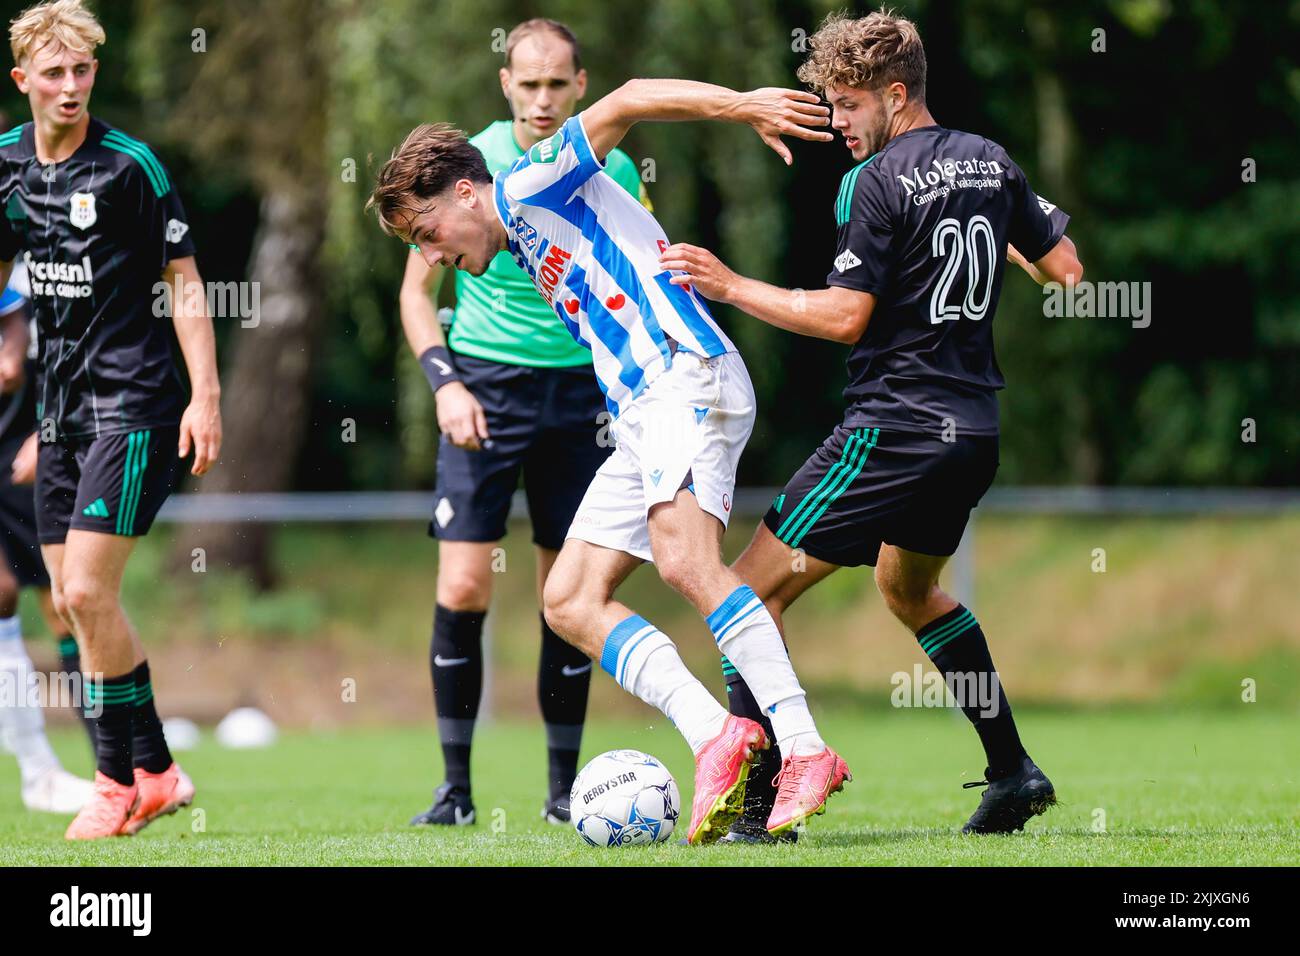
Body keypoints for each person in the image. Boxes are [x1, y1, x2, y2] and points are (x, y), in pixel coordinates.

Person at [370, 77, 850, 845]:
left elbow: (626, 99)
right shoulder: (522, 237)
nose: (431, 254)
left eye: (427, 232)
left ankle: (804, 747)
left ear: (466, 192)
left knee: (685, 562)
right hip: (642, 411)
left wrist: (742, 106)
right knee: (568, 598)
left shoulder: (528, 183)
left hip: (682, 375)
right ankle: (716, 736)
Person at [659, 9, 1084, 839]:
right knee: (909, 589)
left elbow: (847, 316)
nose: (837, 124)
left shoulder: (874, 180)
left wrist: (731, 284)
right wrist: (996, 236)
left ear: (895, 94)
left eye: (848, 105)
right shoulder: (992, 162)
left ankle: (758, 800)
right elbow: (1067, 270)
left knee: (744, 590)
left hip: (892, 428)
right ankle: (1013, 771)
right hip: (971, 432)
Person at [400, 19, 649, 828]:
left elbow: (642, 262)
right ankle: (454, 790)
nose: (542, 100)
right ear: (505, 84)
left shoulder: (604, 165)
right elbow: (416, 293)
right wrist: (445, 384)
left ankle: (561, 793)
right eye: (528, 84)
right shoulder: (464, 169)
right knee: (465, 583)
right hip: (484, 387)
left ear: (581, 87)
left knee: (563, 594)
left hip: (580, 395)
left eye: (557, 85)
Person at [0, 0, 222, 840]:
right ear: (22, 80)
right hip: (55, 418)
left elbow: (187, 281)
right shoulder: (7, 167)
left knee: (88, 591)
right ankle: (159, 769)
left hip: (133, 405)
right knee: (69, 603)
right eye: (52, 73)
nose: (69, 86)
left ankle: (111, 783)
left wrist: (206, 395)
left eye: (82, 70)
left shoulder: (129, 166)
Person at [0, 260, 92, 814]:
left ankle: (117, 765)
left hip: (22, 459)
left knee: (68, 605)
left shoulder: (30, 271)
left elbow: (20, 364)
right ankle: (38, 771)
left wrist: (49, 431)